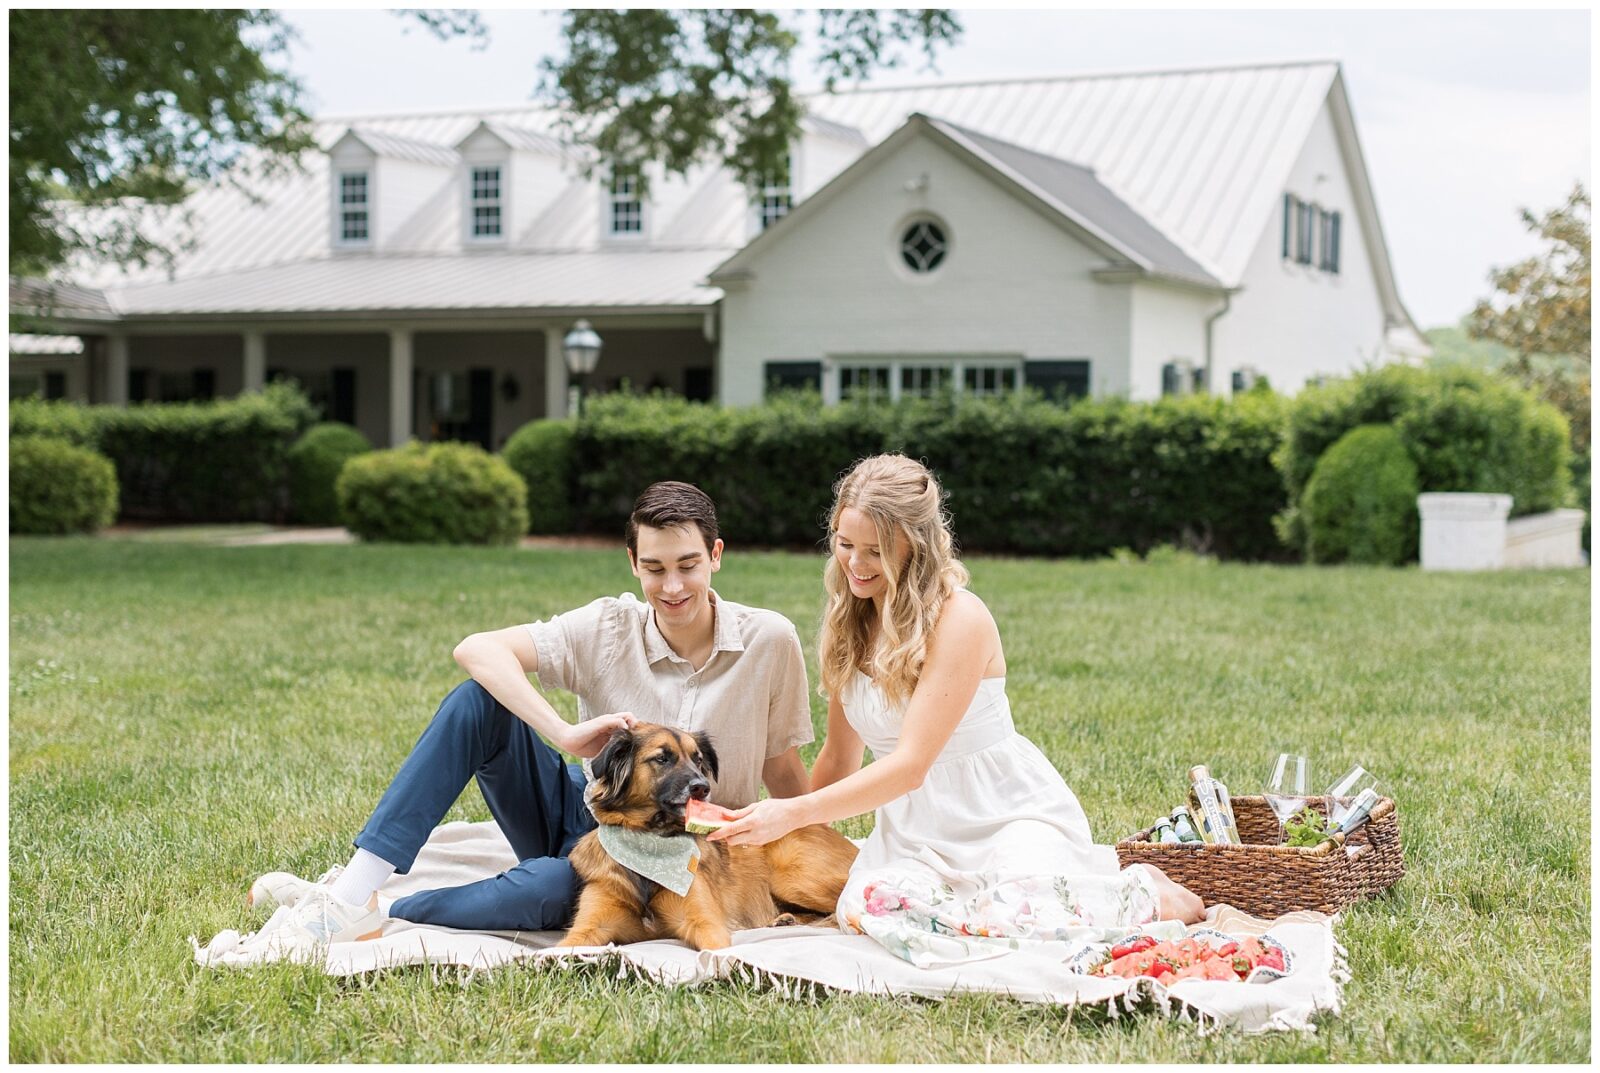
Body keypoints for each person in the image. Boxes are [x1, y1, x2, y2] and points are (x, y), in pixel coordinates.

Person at [253, 481, 815, 945]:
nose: (671, 586)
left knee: (543, 893)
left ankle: (376, 902)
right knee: (477, 700)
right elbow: (476, 649)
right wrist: (565, 733)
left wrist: (815, 849)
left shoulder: (769, 640)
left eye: (688, 565)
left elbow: (786, 776)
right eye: (654, 568)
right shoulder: (606, 626)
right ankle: (354, 891)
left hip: (691, 855)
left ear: (716, 555)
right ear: (632, 564)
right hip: (587, 817)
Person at [709, 454, 1204, 967]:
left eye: (875, 551)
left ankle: (1147, 894)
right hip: (916, 835)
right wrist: (787, 836)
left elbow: (910, 765)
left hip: (1003, 814)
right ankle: (999, 908)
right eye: (845, 544)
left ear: (915, 546)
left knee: (1023, 910)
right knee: (867, 904)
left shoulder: (960, 617)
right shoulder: (849, 624)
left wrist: (790, 811)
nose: (855, 564)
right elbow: (838, 757)